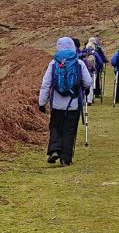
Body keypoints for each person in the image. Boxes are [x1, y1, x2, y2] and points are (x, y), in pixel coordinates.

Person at [38, 37, 93, 166]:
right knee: (70, 130)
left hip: (57, 104)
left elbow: (46, 84)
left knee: (55, 126)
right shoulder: (78, 63)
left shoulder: (53, 63)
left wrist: (42, 103)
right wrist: (85, 90)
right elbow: (88, 81)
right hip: (73, 104)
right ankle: (65, 159)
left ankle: (54, 150)